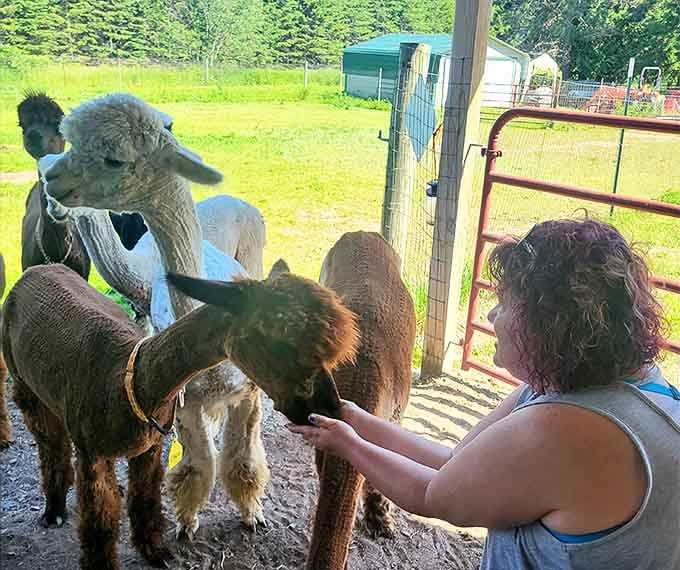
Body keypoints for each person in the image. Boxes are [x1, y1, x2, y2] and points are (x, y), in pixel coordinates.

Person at [289, 218, 680, 570]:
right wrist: (360, 421)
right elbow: (455, 461)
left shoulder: (564, 432)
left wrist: (349, 446)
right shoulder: (585, 387)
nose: (492, 316)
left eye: (505, 303)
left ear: (549, 325)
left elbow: (433, 494)